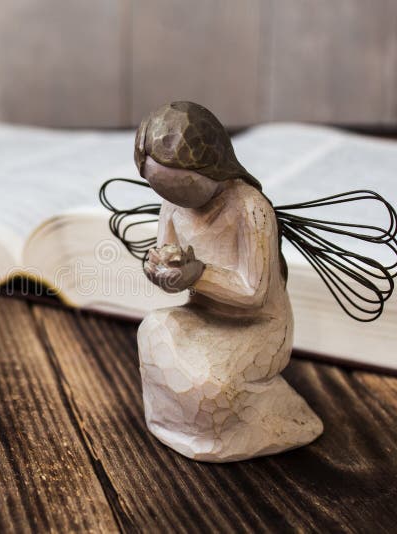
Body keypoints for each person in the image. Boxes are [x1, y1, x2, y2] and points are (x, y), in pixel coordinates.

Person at [131, 102, 323, 462]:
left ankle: (246, 424)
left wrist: (198, 274)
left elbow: (254, 293)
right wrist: (159, 271)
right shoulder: (172, 206)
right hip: (202, 316)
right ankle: (172, 422)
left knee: (209, 384)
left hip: (258, 328)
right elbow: (164, 256)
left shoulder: (250, 209)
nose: (173, 201)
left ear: (213, 167)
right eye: (161, 189)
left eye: (182, 189)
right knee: (152, 331)